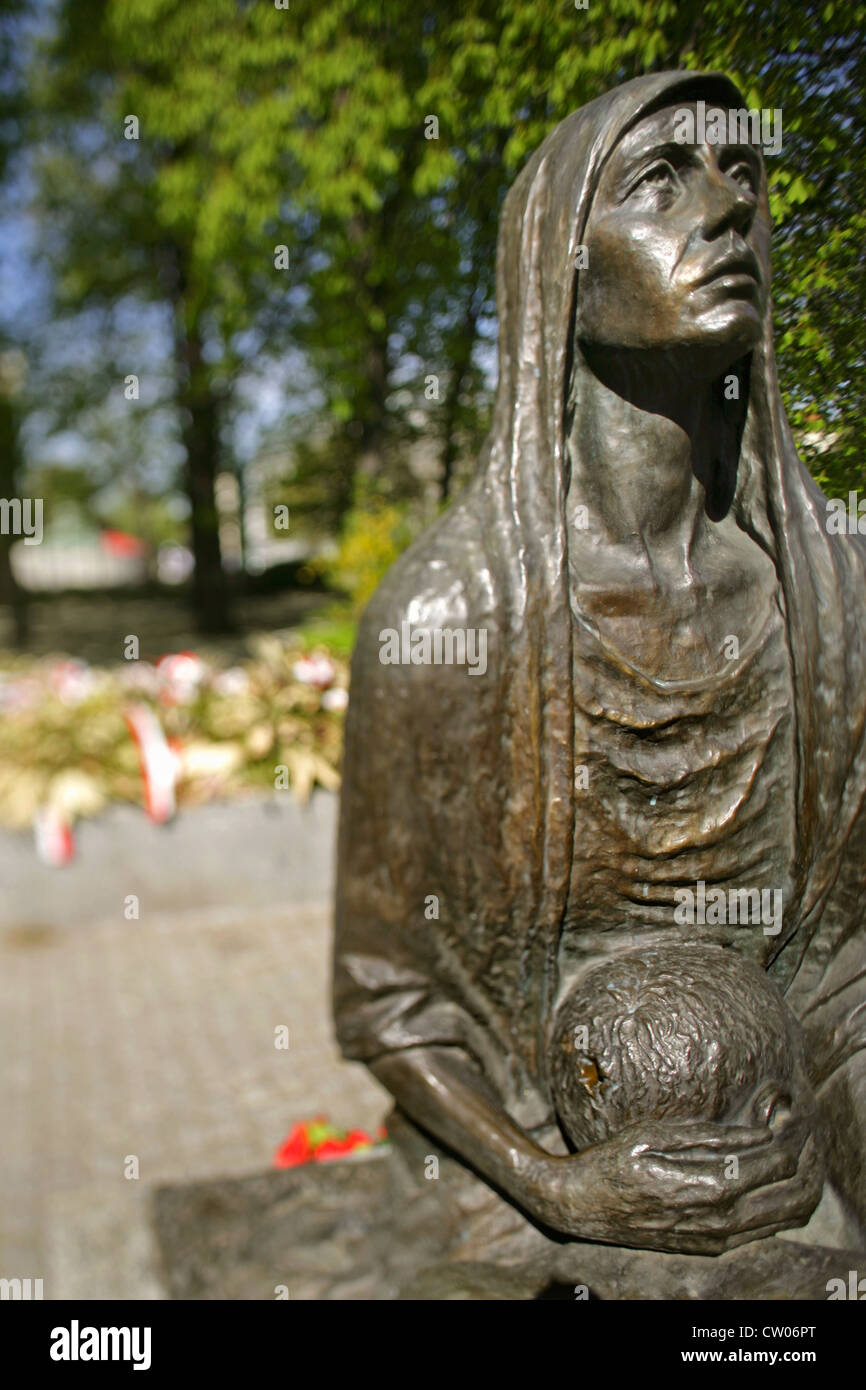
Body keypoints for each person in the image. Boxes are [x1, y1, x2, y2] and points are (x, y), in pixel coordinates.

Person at [334, 70, 866, 1259]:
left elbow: (841, 958)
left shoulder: (830, 600)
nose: (725, 209)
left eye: (740, 176)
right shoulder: (449, 618)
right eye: (659, 182)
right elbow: (389, 997)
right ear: (559, 272)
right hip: (538, 1143)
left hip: (790, 1111)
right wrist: (560, 1188)